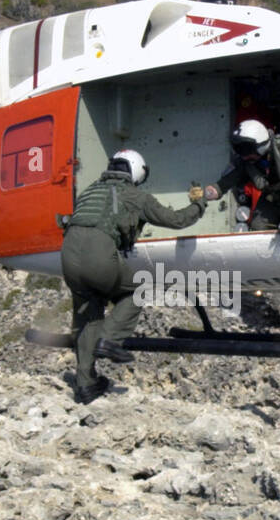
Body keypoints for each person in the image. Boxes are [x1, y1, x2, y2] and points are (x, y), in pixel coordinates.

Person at [61, 149, 207, 404]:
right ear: (136, 172)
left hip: (68, 256)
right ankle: (109, 339)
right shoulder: (135, 195)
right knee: (139, 288)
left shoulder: (90, 192)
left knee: (87, 316)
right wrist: (199, 204)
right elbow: (175, 220)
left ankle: (86, 385)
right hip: (99, 254)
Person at [203, 120, 280, 234]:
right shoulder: (246, 160)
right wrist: (208, 193)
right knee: (258, 226)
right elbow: (227, 181)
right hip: (275, 192)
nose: (243, 155)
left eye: (246, 149)